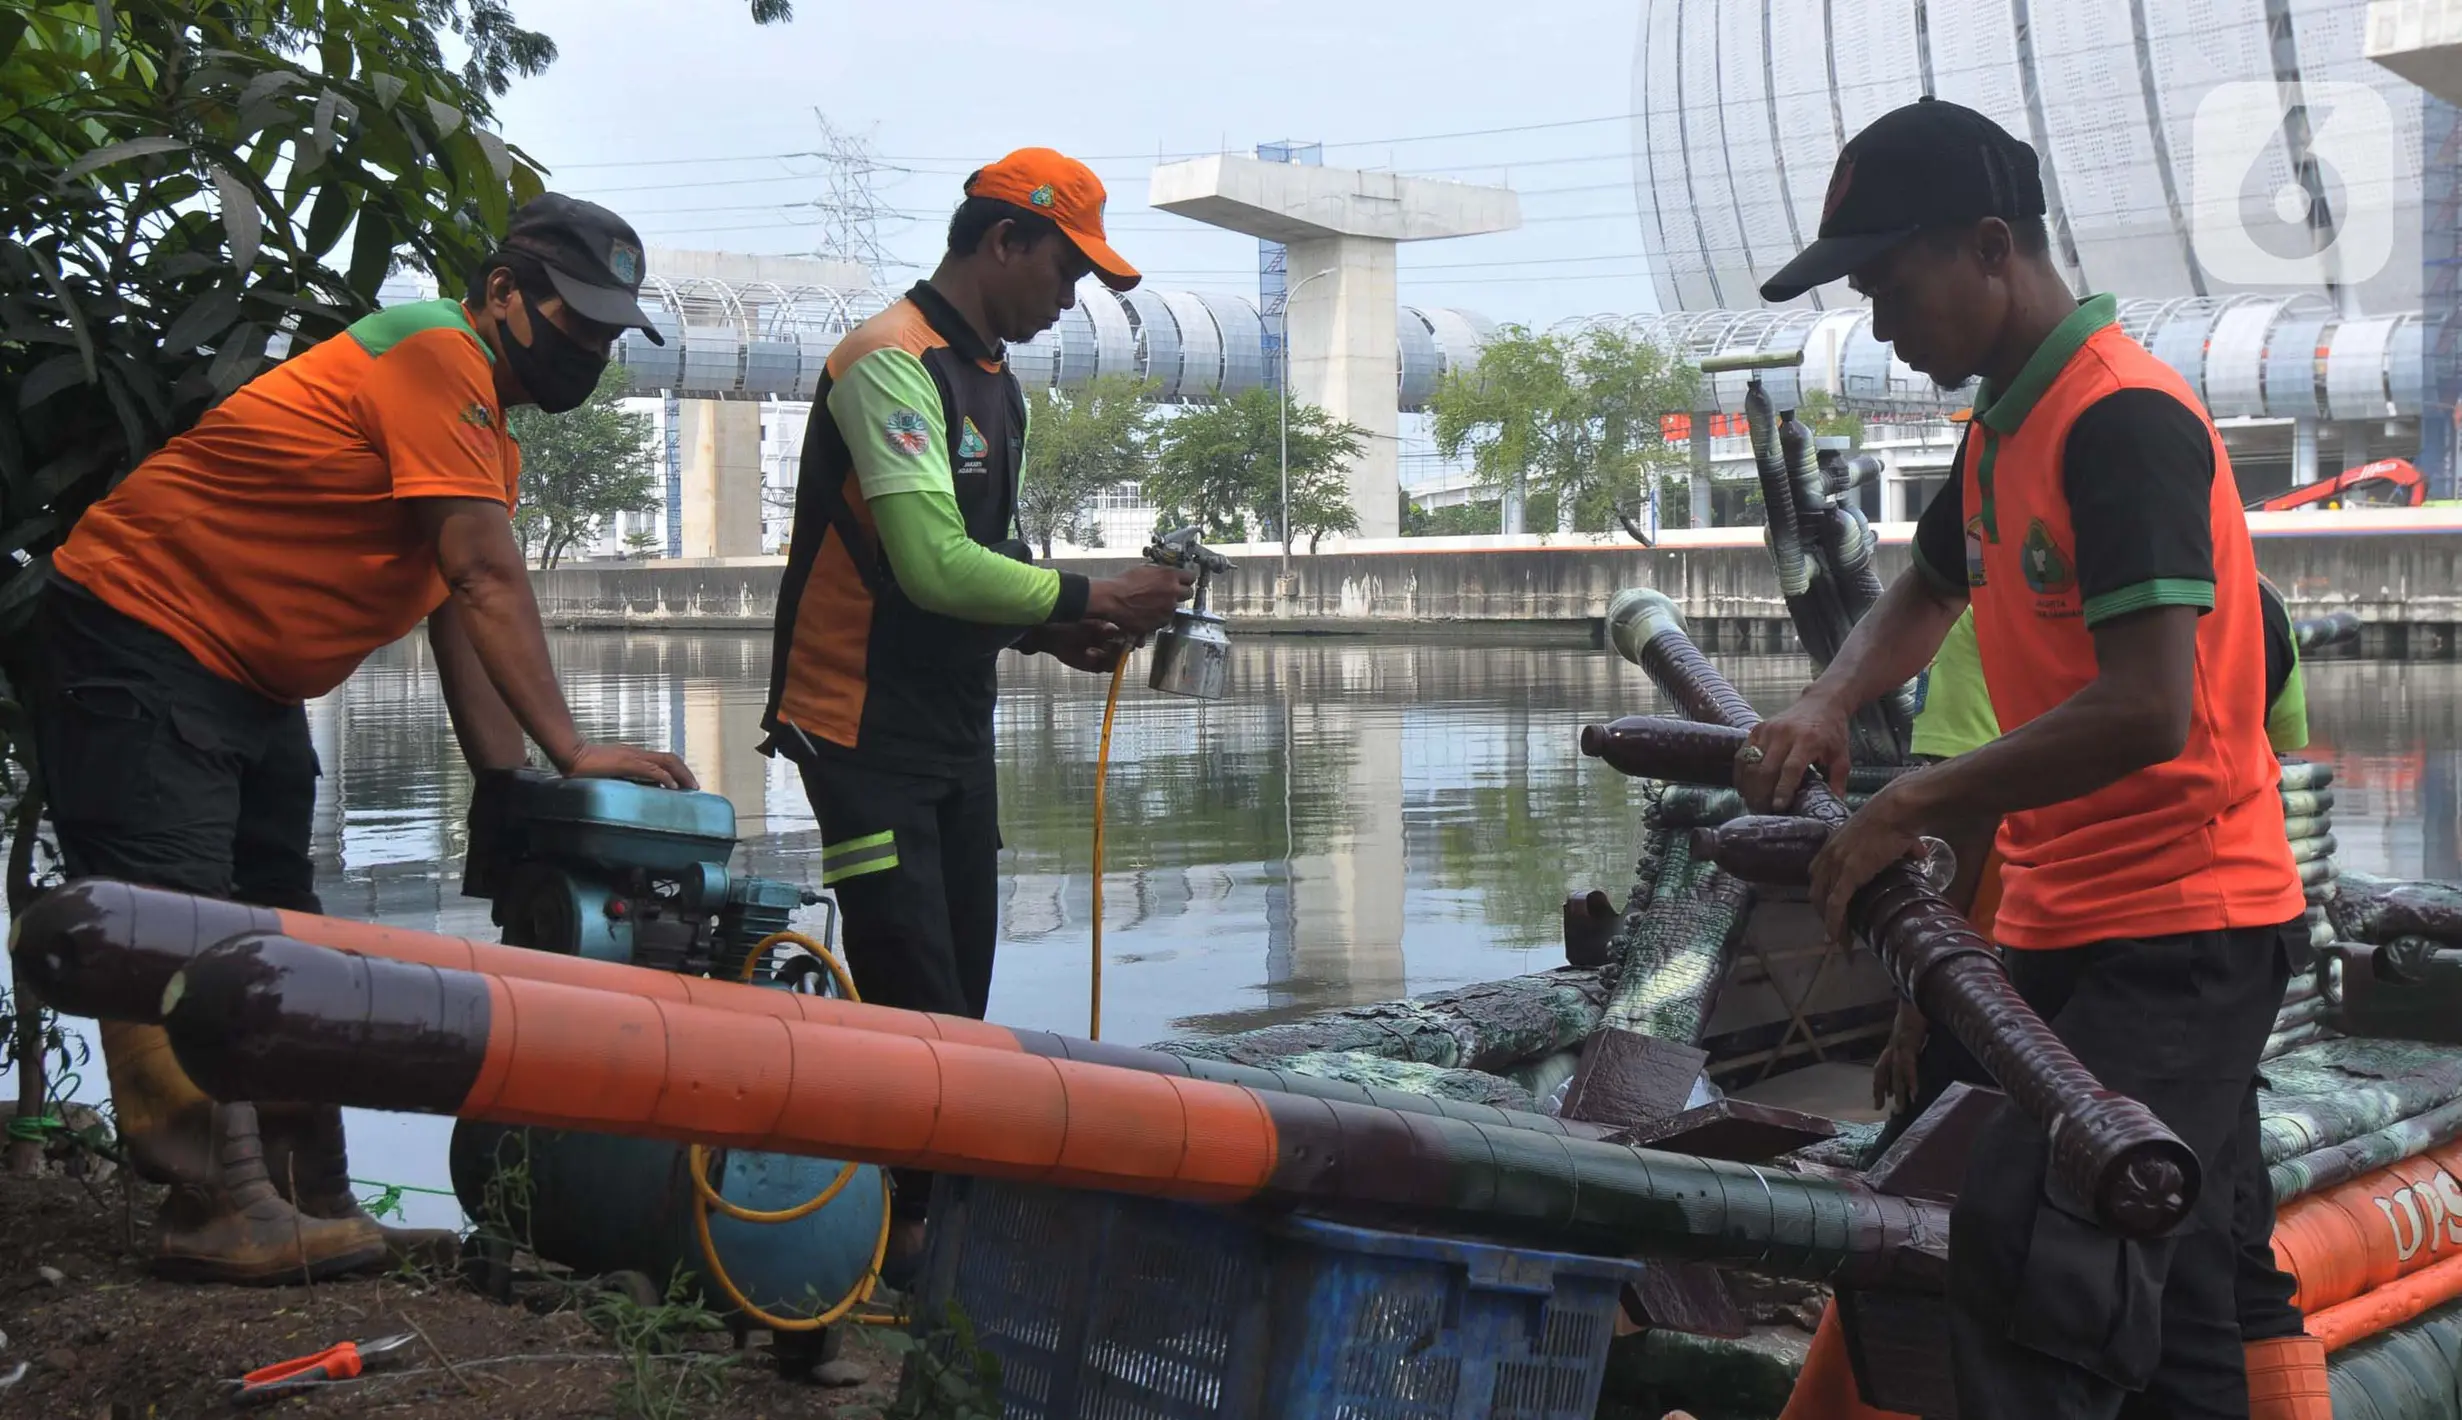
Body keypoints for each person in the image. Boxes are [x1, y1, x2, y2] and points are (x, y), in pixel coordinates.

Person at [1740, 97, 2309, 1419]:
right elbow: (1926, 589)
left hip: (2184, 927)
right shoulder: (2006, 425)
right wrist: (1828, 701)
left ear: (1990, 247)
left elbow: (2144, 711)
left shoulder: (2120, 423)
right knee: (2191, 1290)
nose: (1880, 324)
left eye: (1890, 285)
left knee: (2028, 1245)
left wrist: (1918, 800)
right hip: (2064, 917)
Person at [34, 193, 698, 1285]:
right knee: (170, 928)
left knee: (277, 935)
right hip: (139, 637)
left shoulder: (481, 434)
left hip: (243, 676)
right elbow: (485, 576)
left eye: (606, 332)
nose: (587, 346)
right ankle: (214, 1204)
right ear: (499, 294)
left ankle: (310, 1196)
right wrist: (574, 750)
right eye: (573, 318)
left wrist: (506, 780)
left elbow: (452, 611)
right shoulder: (433, 352)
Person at [758, 149, 1194, 1269]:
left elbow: (988, 566)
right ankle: (898, 1241)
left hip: (952, 731)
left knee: (963, 994)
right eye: (1064, 272)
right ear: (1003, 241)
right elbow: (931, 567)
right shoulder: (886, 364)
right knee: (915, 993)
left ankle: (930, 1230)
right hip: (854, 730)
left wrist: (1054, 630)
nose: (1070, 299)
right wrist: (1090, 593)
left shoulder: (995, 385)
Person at [1778, 579, 2327, 1420]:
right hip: (2230, 950)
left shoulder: (2010, 610)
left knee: (1993, 1219)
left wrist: (1917, 1003)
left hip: (2027, 968)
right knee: (2216, 1244)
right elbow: (2268, 755)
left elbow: (1953, 819)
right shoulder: (2262, 608)